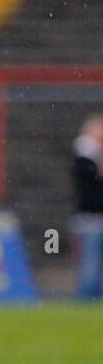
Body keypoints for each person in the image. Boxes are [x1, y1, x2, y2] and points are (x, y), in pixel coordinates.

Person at [71, 114, 103, 298]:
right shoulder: (85, 155)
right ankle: (85, 298)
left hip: (93, 216)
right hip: (90, 217)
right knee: (90, 265)